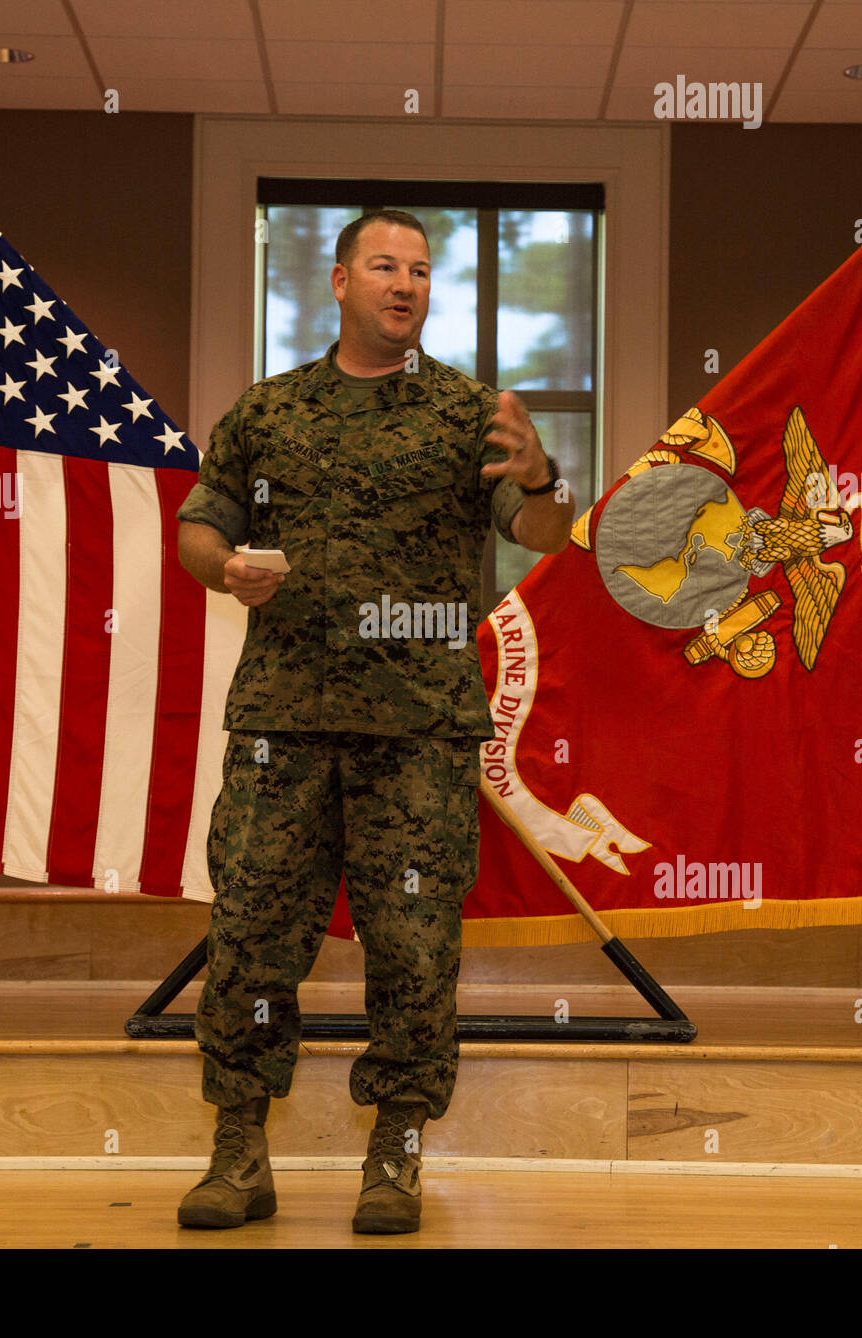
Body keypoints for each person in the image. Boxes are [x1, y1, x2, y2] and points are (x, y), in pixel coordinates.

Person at [173, 208, 574, 1234]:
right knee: (255, 936)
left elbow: (540, 533)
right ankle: (238, 1149)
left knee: (413, 944)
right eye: (385, 267)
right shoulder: (267, 411)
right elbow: (200, 525)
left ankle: (394, 1152)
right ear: (341, 282)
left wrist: (540, 474)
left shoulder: (467, 412)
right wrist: (227, 571)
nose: (406, 284)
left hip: (417, 735)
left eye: (422, 271)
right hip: (283, 726)